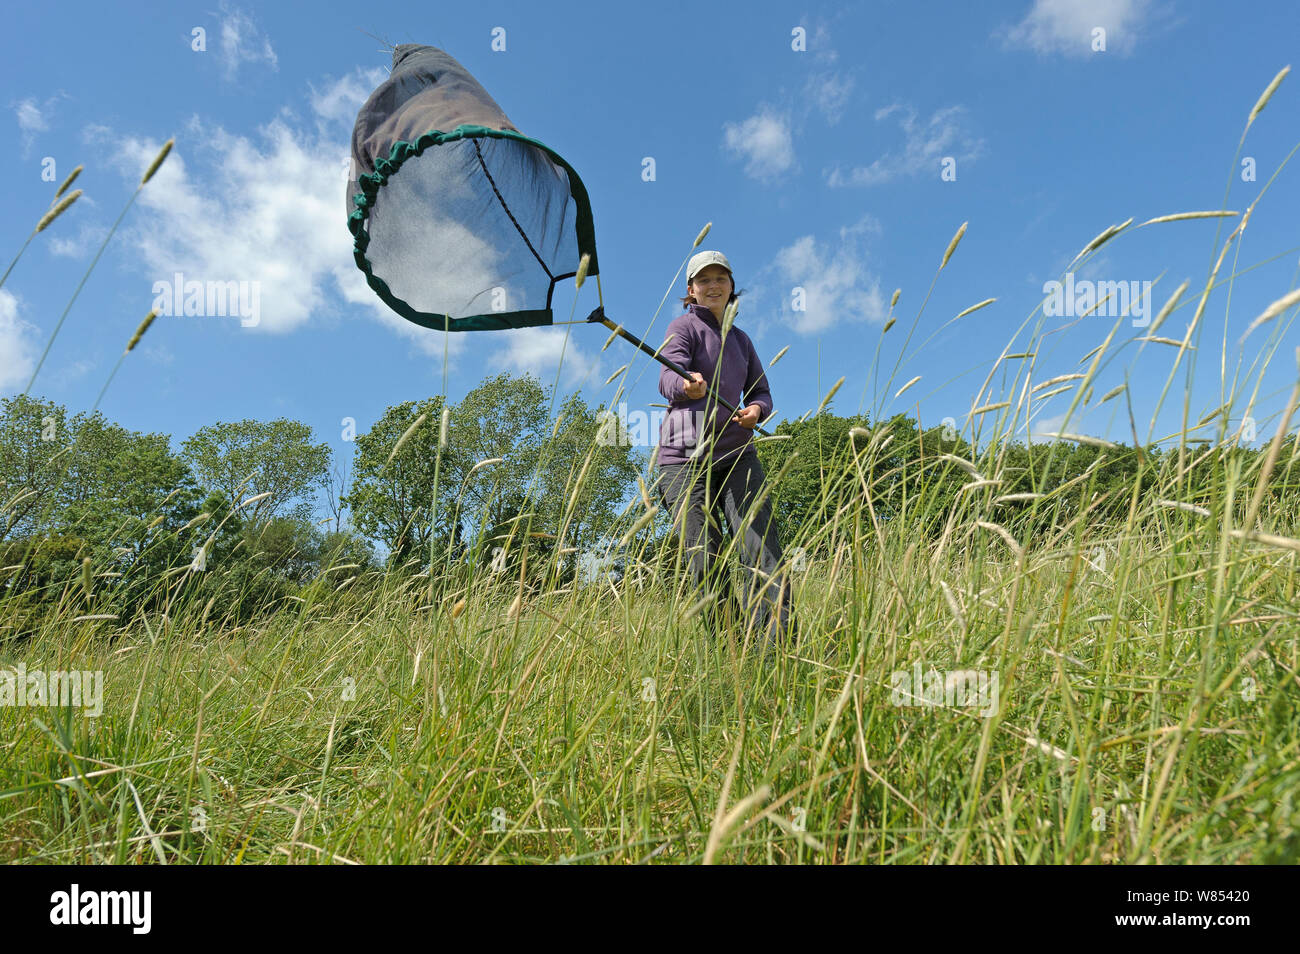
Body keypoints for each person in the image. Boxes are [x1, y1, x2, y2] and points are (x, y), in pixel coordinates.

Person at [655, 249, 796, 650]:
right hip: (683, 459)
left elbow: (761, 393)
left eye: (721, 278)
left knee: (762, 547)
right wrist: (686, 385)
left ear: (732, 286)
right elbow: (668, 375)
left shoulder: (741, 340)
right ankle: (733, 652)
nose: (713, 285)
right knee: (704, 557)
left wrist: (756, 410)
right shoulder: (682, 327)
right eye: (704, 280)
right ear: (691, 290)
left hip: (737, 454)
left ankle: (777, 651)